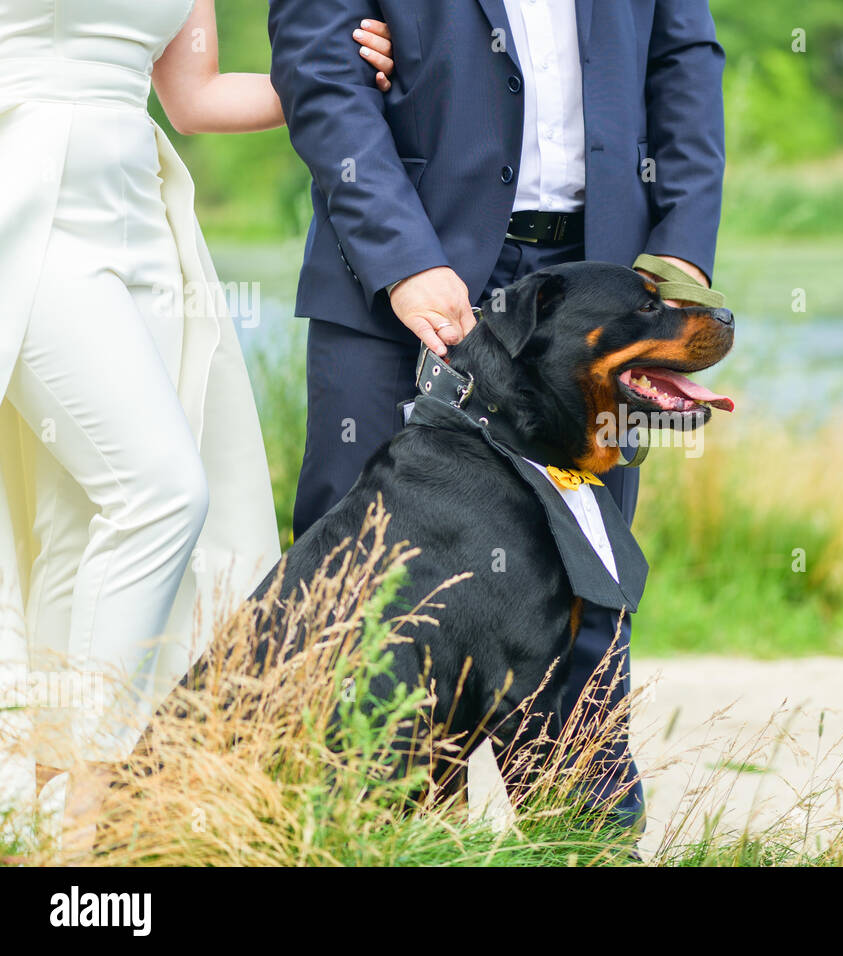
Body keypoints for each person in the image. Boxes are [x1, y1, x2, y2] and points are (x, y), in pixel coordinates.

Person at [270, 0, 725, 827]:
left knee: (580, 597)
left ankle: (584, 845)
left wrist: (684, 241)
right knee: (358, 594)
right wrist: (405, 262)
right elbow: (322, 71)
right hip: (394, 270)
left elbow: (683, 56)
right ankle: (354, 841)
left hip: (603, 283)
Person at [0, 0, 394, 854]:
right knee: (161, 492)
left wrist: (335, 75)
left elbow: (195, 95)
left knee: (81, 520)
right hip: (23, 197)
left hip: (137, 212)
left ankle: (34, 818)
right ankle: (87, 825)